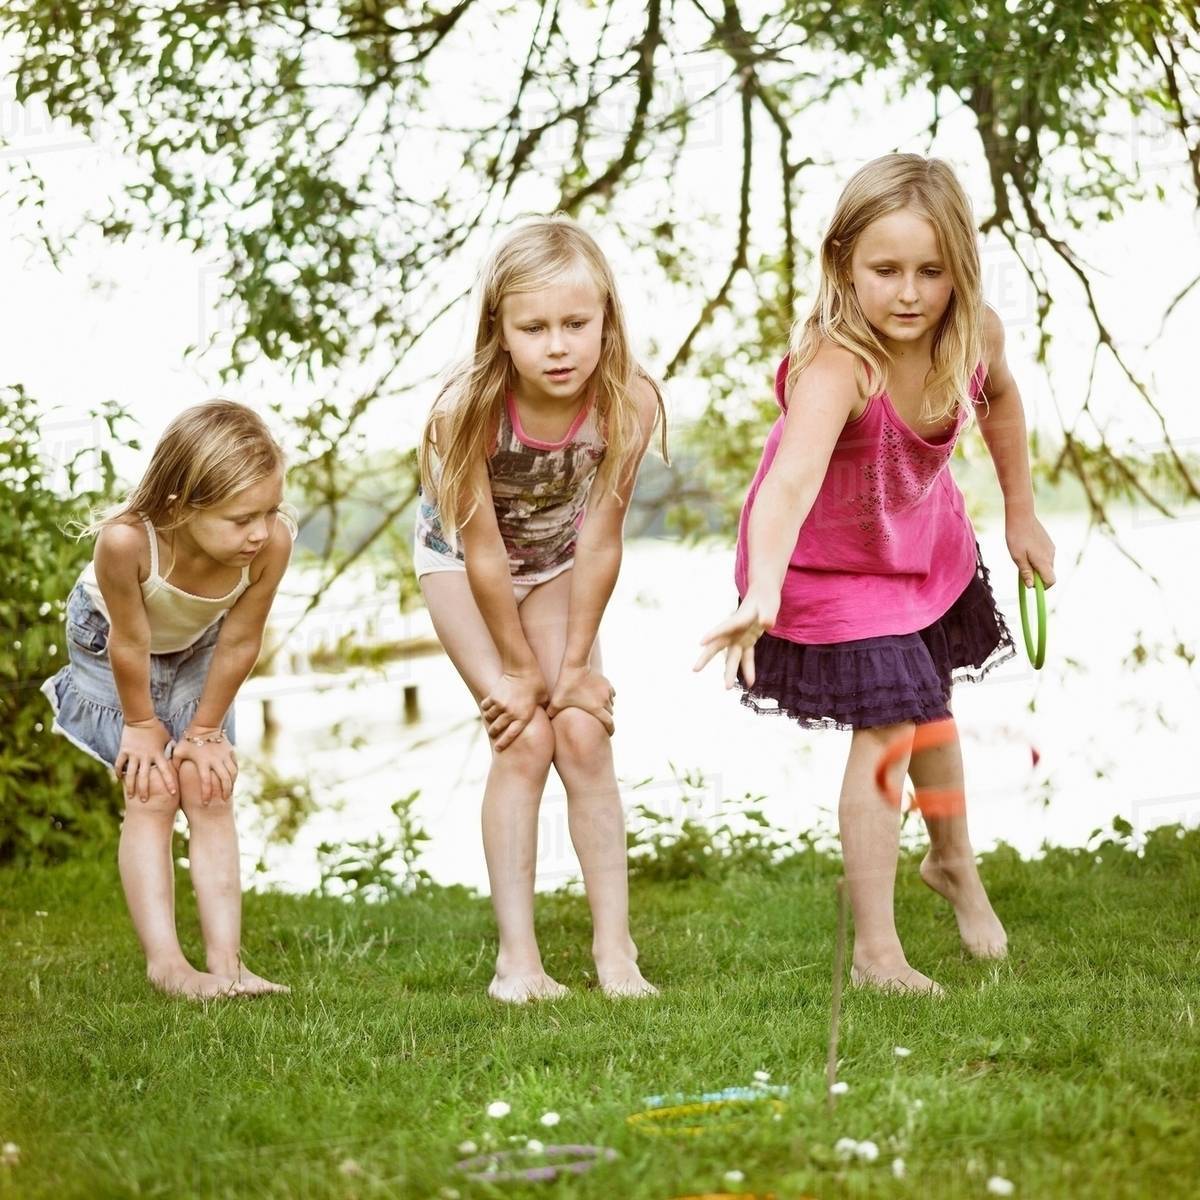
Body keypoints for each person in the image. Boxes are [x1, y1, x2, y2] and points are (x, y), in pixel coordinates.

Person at [696, 154, 1056, 995]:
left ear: (959, 269)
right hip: (820, 563)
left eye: (930, 271)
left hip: (917, 546)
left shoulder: (976, 334)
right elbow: (787, 482)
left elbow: (1000, 401)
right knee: (891, 724)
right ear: (843, 265)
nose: (908, 292)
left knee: (929, 705)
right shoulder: (838, 363)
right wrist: (762, 593)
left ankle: (953, 863)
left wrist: (1022, 511)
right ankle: (876, 954)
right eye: (885, 270)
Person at [416, 214, 666, 1002]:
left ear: (605, 320)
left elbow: (599, 539)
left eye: (575, 324)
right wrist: (522, 672)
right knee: (522, 737)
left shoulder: (629, 402)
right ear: (501, 329)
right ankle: (517, 963)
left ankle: (615, 955)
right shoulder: (465, 410)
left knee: (584, 735)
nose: (557, 345)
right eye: (534, 328)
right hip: (463, 566)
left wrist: (577, 666)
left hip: (559, 564)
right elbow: (483, 550)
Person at [42, 401, 294, 999]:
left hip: (200, 643)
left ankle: (227, 964)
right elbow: (130, 643)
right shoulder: (126, 542)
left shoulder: (270, 546)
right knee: (151, 790)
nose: (259, 532)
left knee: (207, 786)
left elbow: (240, 638)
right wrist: (140, 724)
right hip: (112, 648)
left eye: (269, 511)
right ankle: (167, 965)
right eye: (240, 518)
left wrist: (205, 732)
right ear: (183, 504)